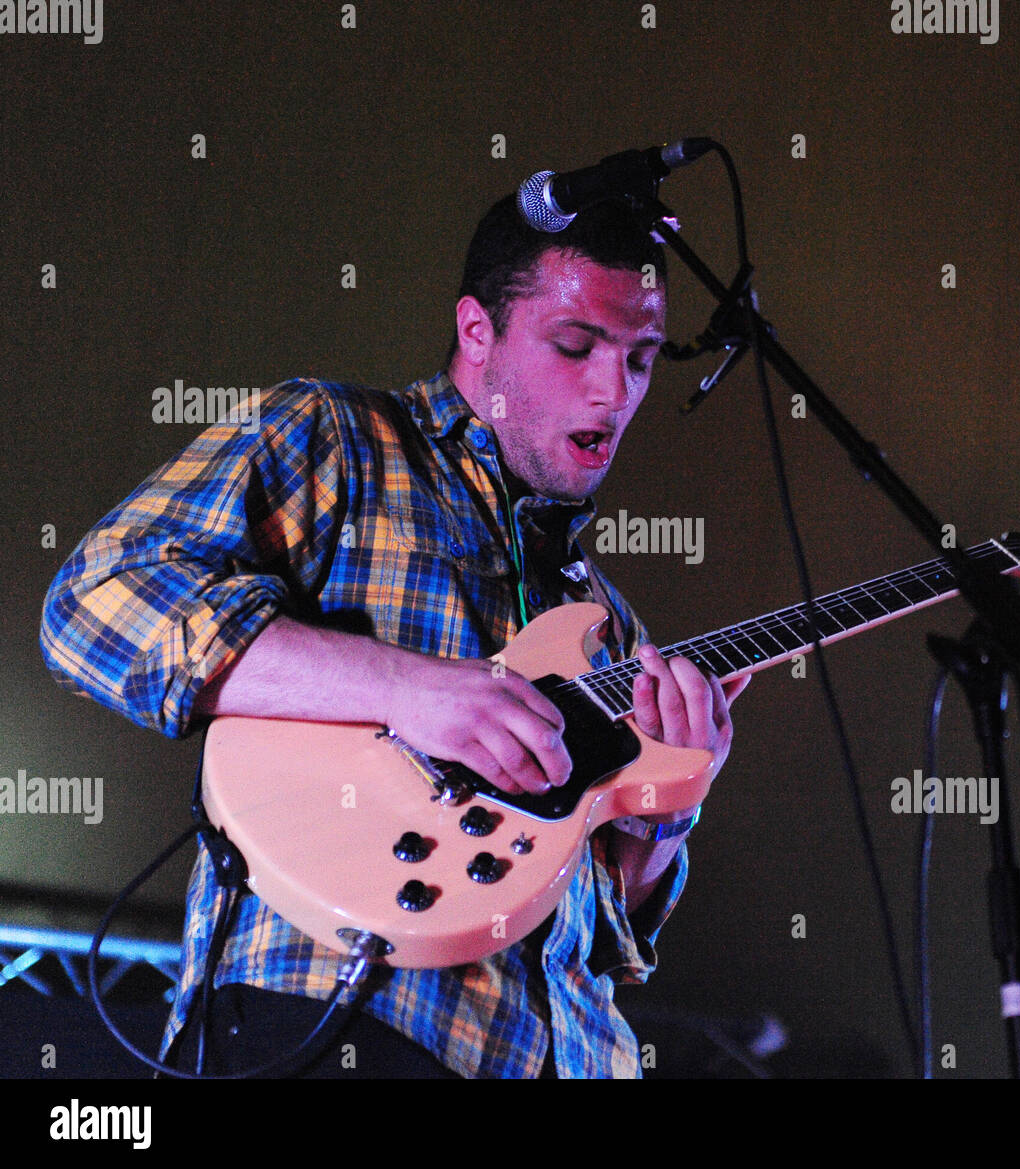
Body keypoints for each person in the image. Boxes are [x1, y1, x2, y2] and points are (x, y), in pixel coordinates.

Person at [40, 192, 748, 1079]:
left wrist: (669, 814)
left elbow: (606, 929)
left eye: (642, 359)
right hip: (337, 1023)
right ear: (478, 332)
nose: (615, 390)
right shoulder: (338, 440)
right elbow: (96, 601)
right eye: (575, 346)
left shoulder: (612, 627)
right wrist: (404, 688)